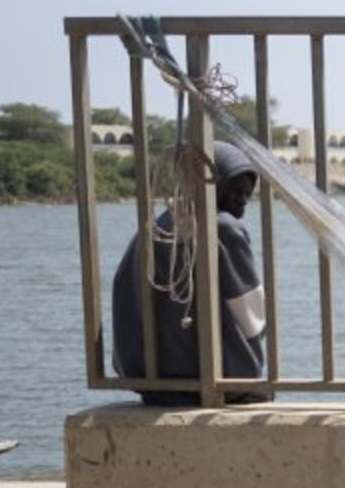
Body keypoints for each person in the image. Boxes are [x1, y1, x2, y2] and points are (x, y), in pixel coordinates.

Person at [110, 140, 269, 405]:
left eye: (247, 196)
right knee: (262, 392)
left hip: (150, 380)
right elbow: (252, 319)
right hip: (212, 378)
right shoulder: (223, 228)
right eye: (235, 193)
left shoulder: (153, 227)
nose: (242, 203)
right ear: (212, 187)